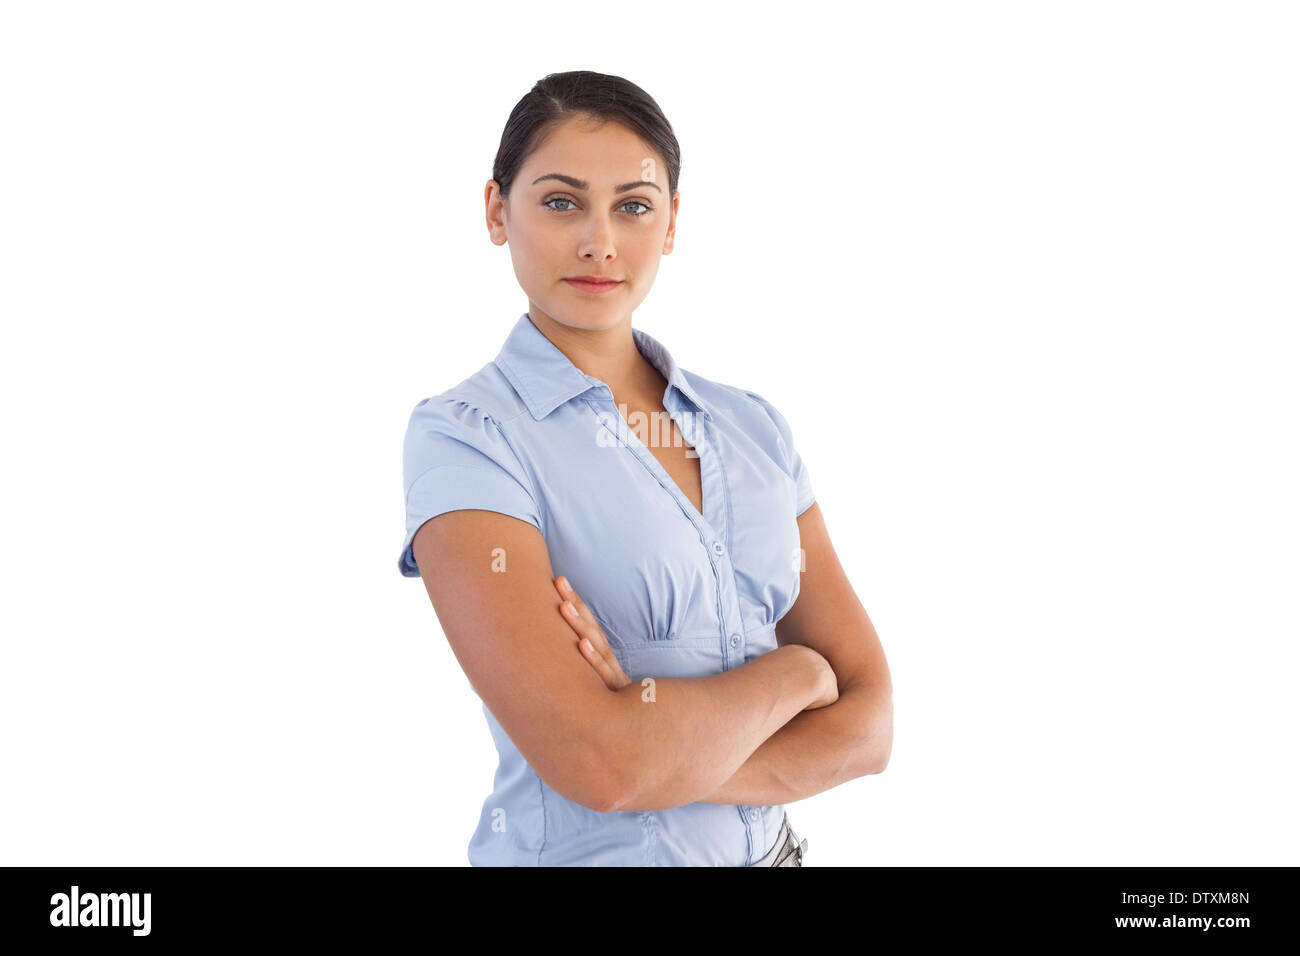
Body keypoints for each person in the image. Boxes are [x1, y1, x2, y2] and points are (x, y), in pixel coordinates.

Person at [398, 70, 893, 866]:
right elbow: (599, 763)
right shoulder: (468, 438)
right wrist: (798, 674)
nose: (600, 242)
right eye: (561, 202)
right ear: (497, 209)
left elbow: (870, 728)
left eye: (633, 205)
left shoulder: (754, 428)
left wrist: (656, 742)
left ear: (669, 225)